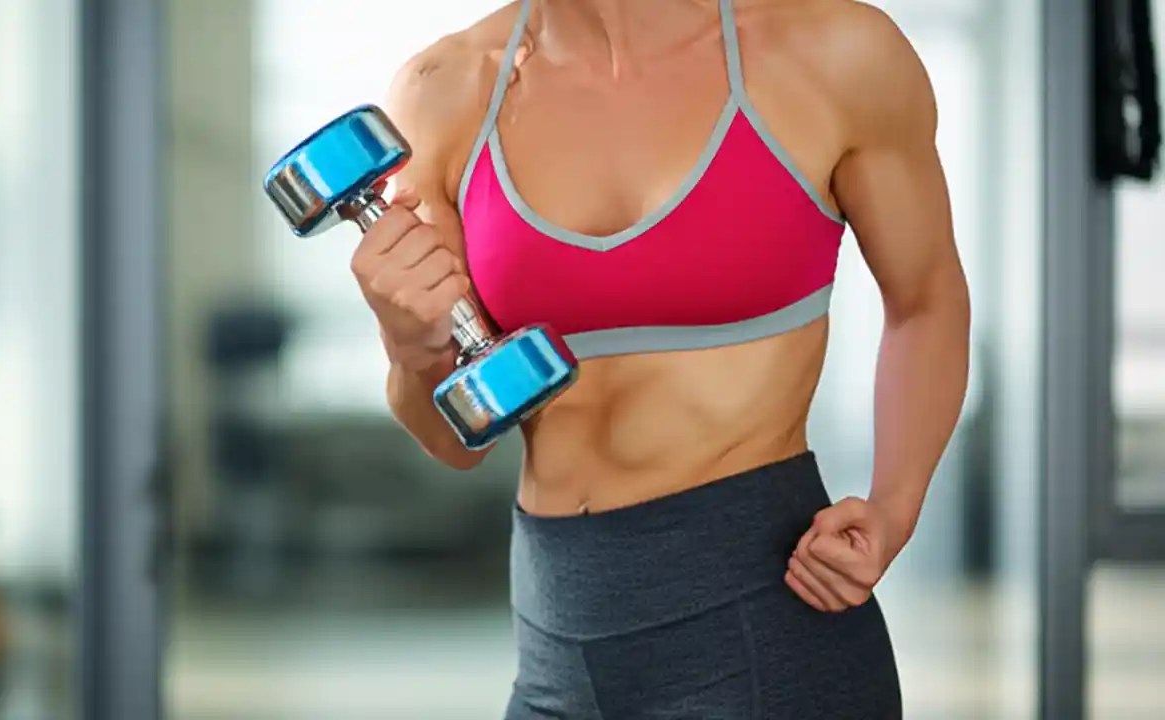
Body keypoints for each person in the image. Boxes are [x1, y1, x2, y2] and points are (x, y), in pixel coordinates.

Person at [350, 0, 969, 716]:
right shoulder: (445, 89)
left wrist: (894, 507)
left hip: (764, 629)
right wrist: (407, 345)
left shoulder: (831, 52)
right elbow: (454, 442)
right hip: (556, 652)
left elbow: (926, 300)